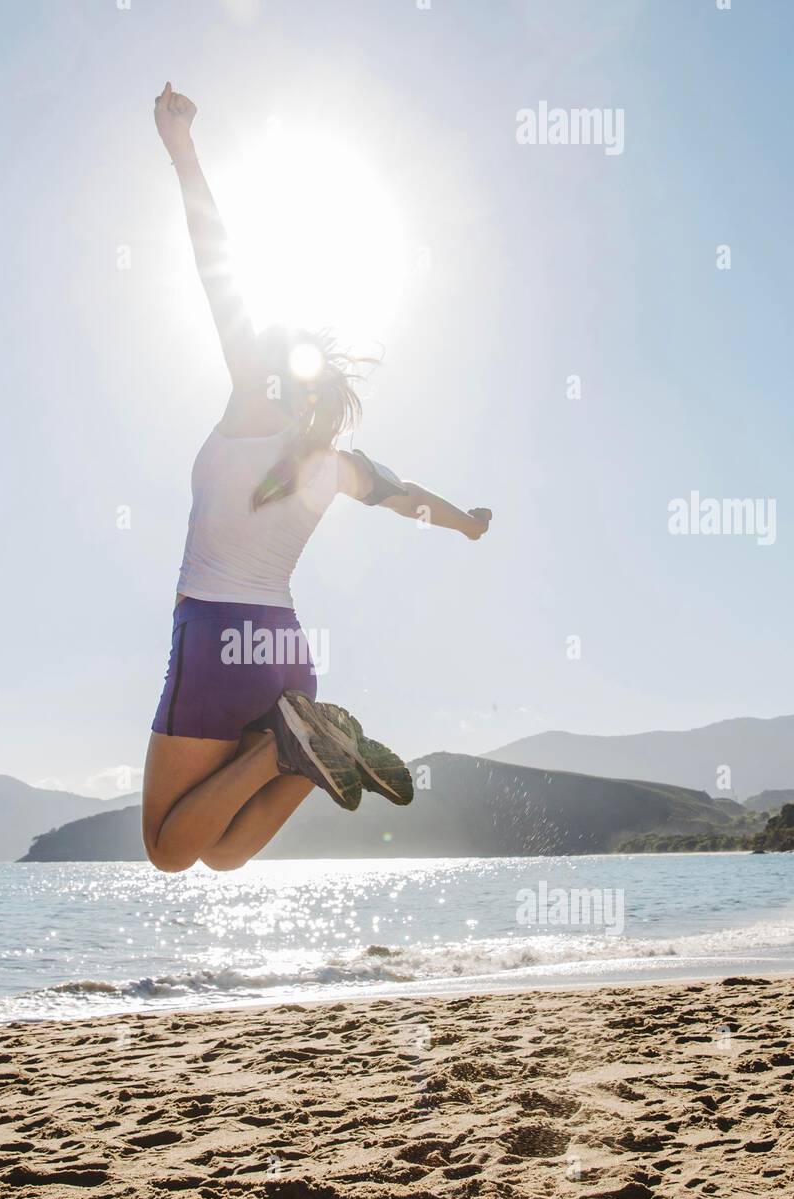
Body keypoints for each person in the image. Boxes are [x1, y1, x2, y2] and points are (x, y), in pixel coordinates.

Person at [143, 84, 492, 874]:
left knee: (169, 850)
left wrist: (182, 150)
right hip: (283, 651)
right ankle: (303, 746)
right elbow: (414, 504)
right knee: (224, 856)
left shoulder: (249, 401)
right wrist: (469, 523)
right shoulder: (337, 464)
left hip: (213, 632)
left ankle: (282, 755)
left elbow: (212, 264)